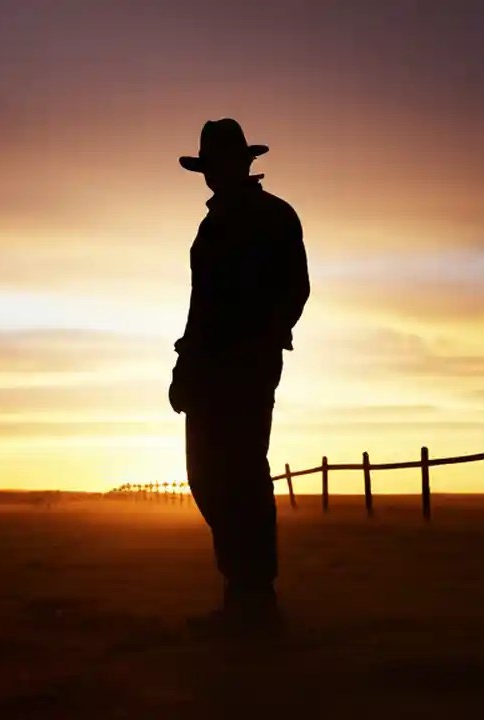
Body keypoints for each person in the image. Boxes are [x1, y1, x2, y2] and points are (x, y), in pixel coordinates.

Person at [169, 118, 310, 631]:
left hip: (246, 366)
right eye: (209, 167)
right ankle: (240, 589)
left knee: (243, 473)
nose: (214, 174)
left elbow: (295, 289)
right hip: (208, 368)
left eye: (222, 164)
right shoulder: (211, 227)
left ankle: (254, 597)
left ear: (243, 164)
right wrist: (185, 365)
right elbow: (200, 305)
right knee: (206, 476)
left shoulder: (274, 217)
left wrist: (263, 337)